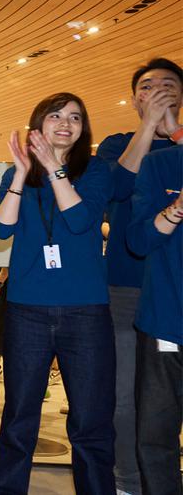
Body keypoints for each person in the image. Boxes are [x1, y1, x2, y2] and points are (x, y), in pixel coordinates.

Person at [0, 92, 115, 494]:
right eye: (55, 115)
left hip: (86, 310)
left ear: (83, 128)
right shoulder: (17, 173)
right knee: (19, 414)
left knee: (90, 418)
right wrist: (21, 174)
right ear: (38, 124)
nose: (65, 123)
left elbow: (78, 220)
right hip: (27, 310)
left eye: (75, 117)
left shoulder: (96, 170)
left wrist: (56, 170)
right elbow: (1, 229)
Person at [95, 57, 182, 495]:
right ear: (134, 100)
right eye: (147, 86)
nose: (158, 91)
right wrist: (150, 125)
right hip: (127, 287)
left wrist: (174, 131)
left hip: (176, 290)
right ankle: (129, 482)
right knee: (127, 397)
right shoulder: (116, 145)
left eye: (168, 84)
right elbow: (118, 188)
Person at [127, 144, 182, 494]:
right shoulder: (161, 164)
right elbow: (138, 240)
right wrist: (177, 208)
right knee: (156, 434)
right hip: (165, 321)